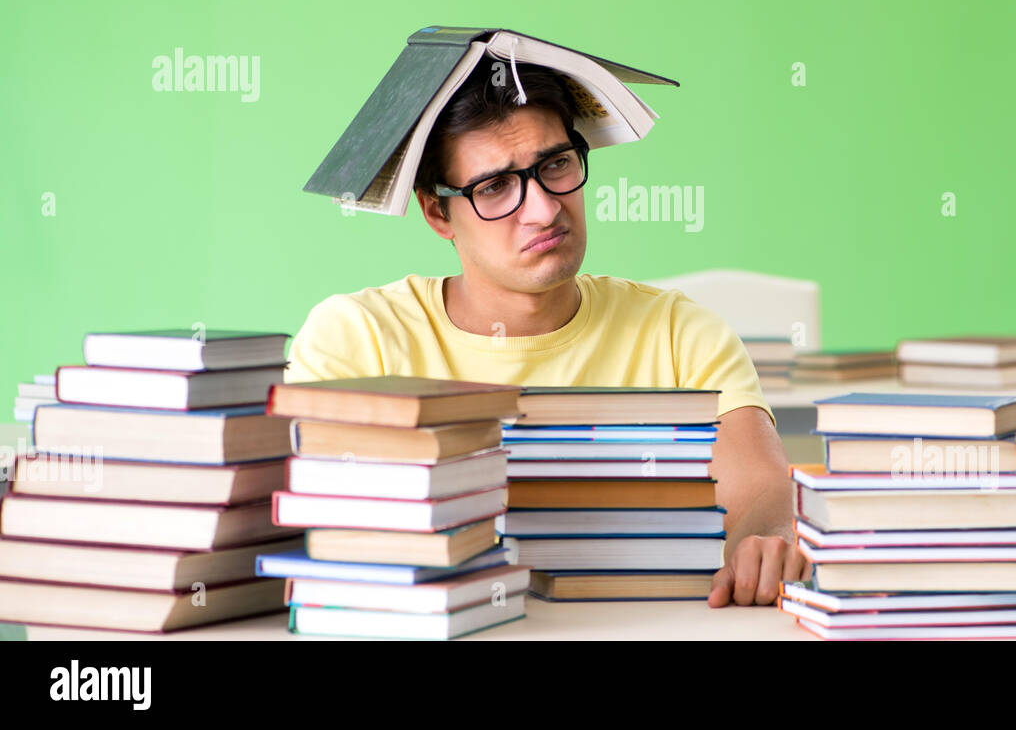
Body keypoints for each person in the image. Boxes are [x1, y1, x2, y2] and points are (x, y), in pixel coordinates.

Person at [285, 62, 807, 606]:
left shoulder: (679, 332)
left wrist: (762, 543)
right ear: (438, 212)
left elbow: (760, 493)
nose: (544, 209)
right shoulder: (353, 339)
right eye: (495, 186)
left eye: (555, 164)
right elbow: (317, 535)